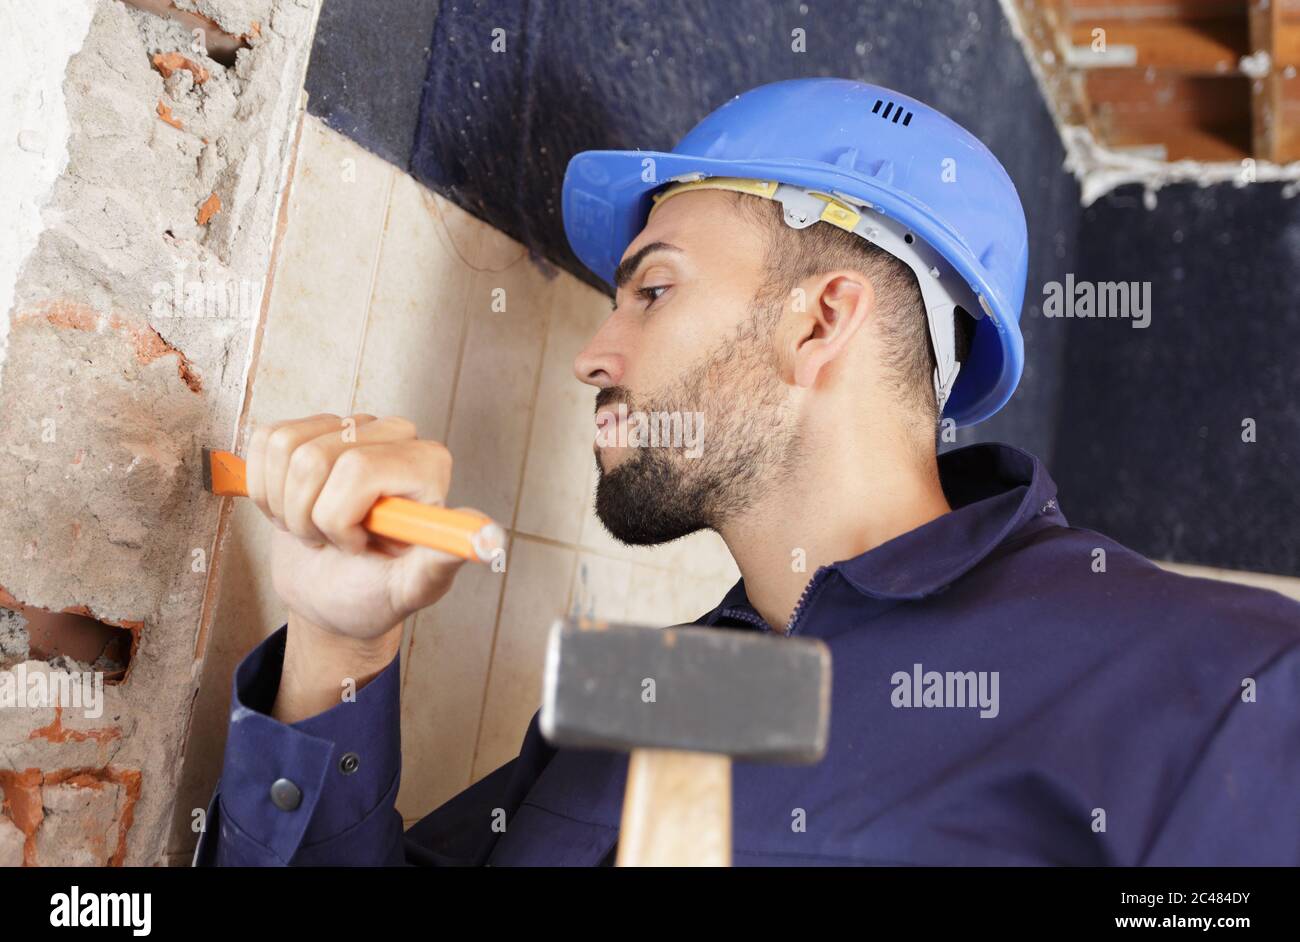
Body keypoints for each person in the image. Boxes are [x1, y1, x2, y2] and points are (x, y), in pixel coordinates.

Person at [196, 79, 1300, 866]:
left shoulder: (1214, 685)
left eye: (652, 288)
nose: (595, 352)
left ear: (818, 320)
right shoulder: (653, 688)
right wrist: (343, 644)